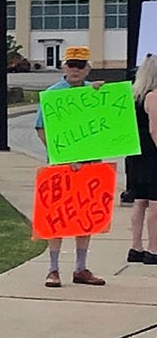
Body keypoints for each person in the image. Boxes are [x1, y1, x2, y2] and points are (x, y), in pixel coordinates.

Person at [33, 46, 107, 287]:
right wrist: (62, 156)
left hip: (89, 164)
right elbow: (41, 129)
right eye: (71, 64)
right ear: (64, 66)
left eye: (80, 65)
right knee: (57, 218)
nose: (75, 69)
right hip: (60, 166)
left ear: (87, 69)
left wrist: (100, 94)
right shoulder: (53, 95)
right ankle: (53, 269)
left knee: (85, 216)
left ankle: (80, 268)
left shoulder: (94, 92)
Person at [126, 54, 157, 265]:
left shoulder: (133, 95)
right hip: (153, 155)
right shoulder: (153, 96)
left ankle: (135, 247)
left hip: (136, 153)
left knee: (139, 201)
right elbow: (155, 129)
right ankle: (153, 249)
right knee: (156, 203)